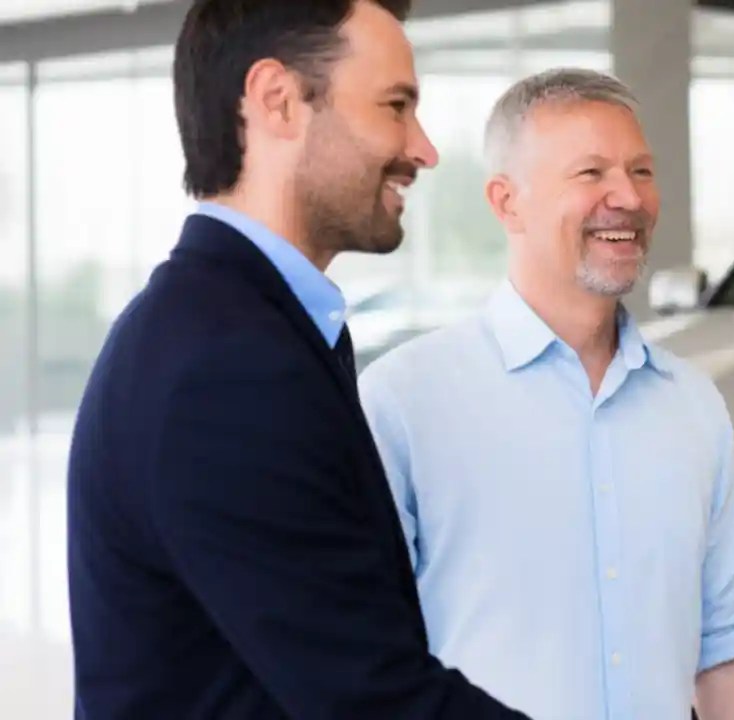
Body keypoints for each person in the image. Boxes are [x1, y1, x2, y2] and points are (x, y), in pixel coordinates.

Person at [65, 1, 532, 718]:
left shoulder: (226, 327)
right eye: (395, 106)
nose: (425, 149)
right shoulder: (226, 369)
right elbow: (373, 699)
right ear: (278, 101)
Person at [357, 67, 734, 720]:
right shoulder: (404, 402)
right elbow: (362, 660)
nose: (629, 198)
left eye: (641, 172)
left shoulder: (693, 405)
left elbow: (731, 648)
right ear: (506, 202)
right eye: (592, 174)